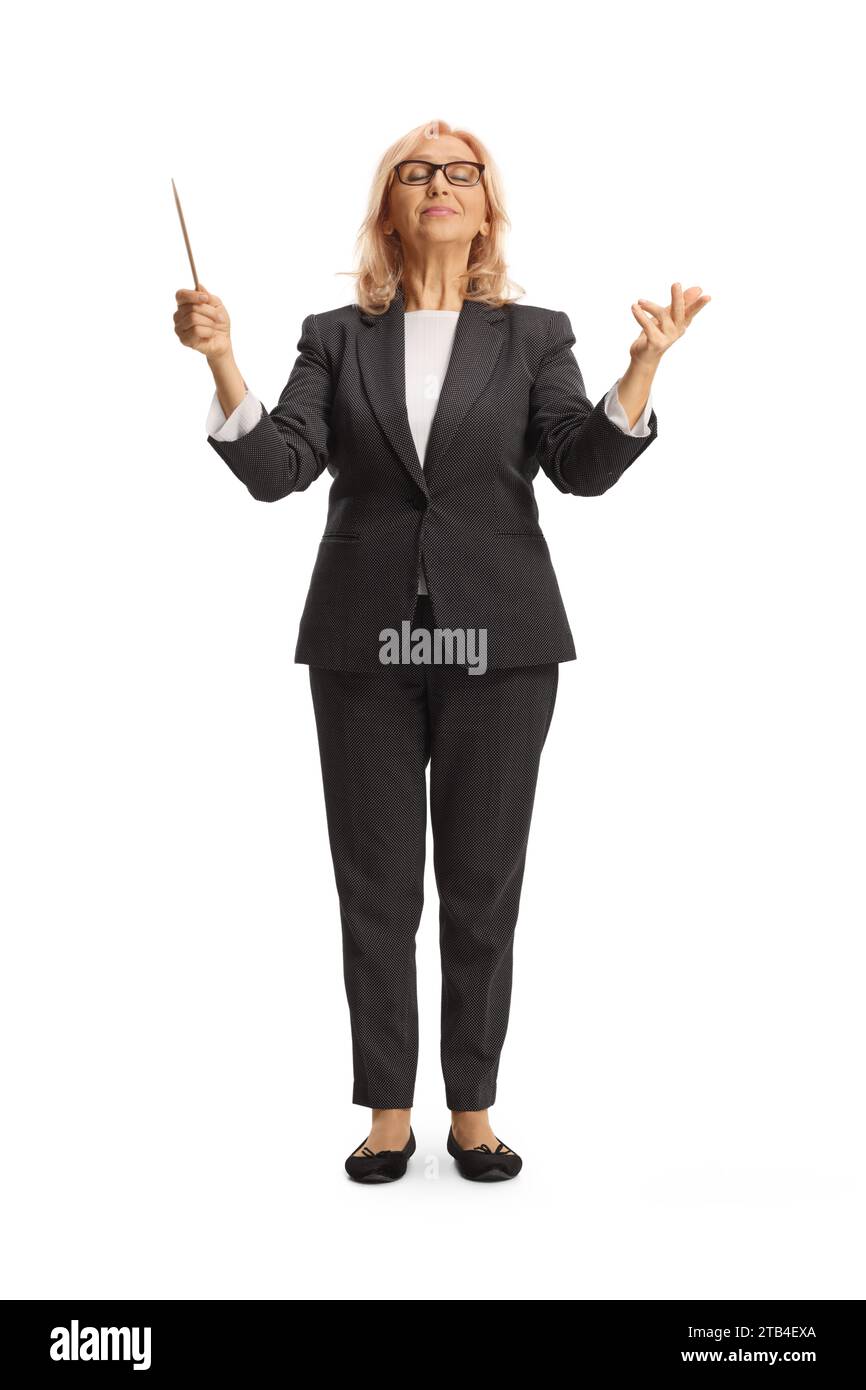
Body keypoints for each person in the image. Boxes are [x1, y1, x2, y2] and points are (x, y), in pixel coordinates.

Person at [173, 119, 710, 1184]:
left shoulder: (532, 332)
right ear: (390, 205)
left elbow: (580, 466)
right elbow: (281, 467)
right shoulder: (334, 335)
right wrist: (222, 358)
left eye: (458, 173)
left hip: (500, 642)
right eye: (415, 173)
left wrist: (640, 368)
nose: (437, 186)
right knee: (374, 884)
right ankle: (386, 1110)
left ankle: (471, 1108)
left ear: (484, 205)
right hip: (361, 642)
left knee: (480, 883)